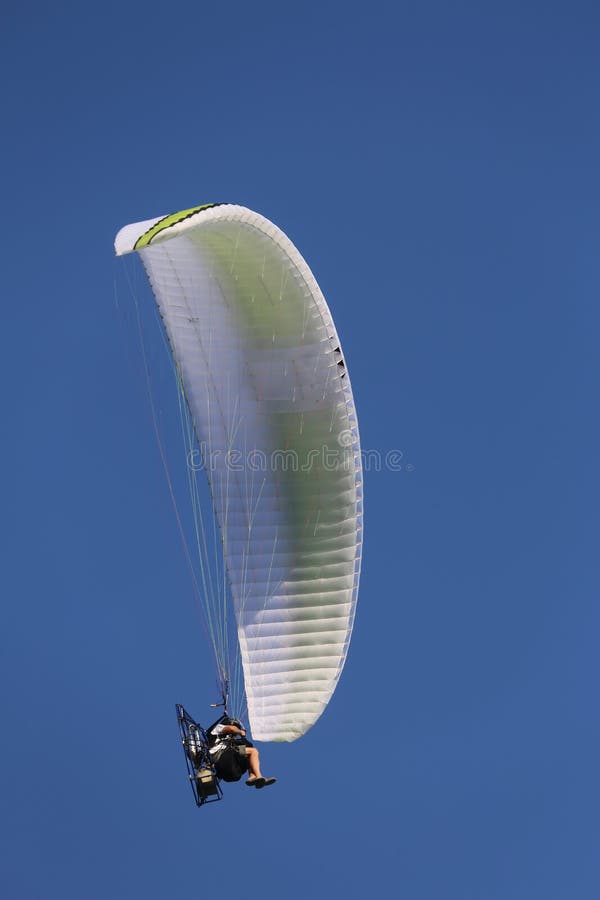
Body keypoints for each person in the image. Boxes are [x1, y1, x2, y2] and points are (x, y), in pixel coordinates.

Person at [207, 716, 276, 789]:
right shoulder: (217, 728)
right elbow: (231, 729)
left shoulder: (229, 741)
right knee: (253, 751)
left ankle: (252, 777)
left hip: (231, 772)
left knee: (247, 752)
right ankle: (259, 776)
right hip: (221, 758)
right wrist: (241, 732)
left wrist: (243, 739)